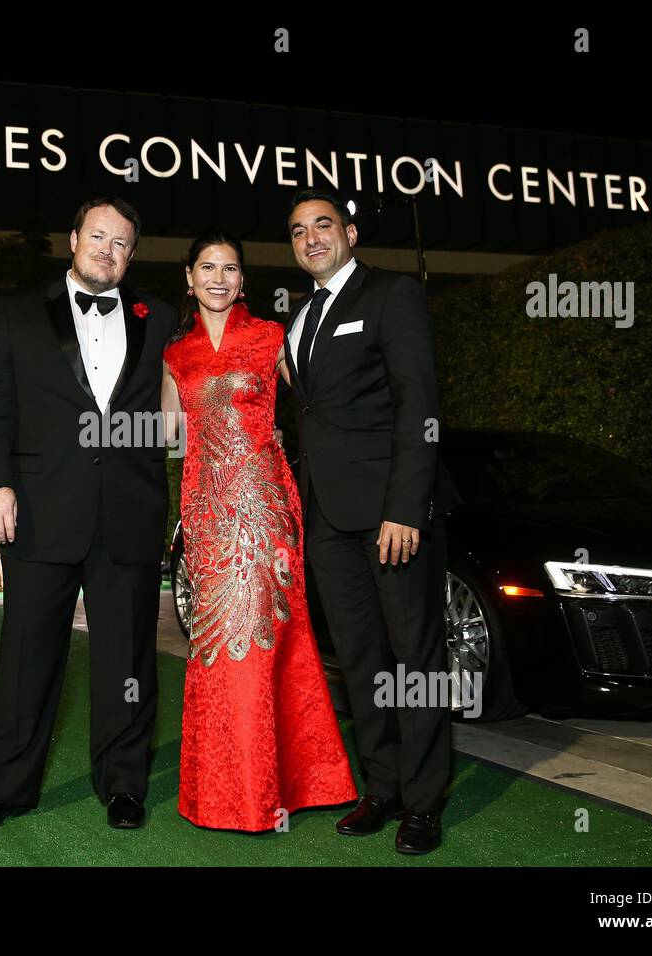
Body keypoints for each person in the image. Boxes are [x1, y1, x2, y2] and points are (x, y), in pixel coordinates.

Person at [0, 196, 175, 833]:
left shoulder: (157, 316)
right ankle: (5, 793)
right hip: (41, 515)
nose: (109, 251)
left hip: (128, 515)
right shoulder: (18, 313)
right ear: (73, 238)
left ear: (133, 254)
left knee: (127, 663)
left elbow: (205, 374)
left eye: (123, 243)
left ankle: (123, 786)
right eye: (99, 237)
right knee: (28, 658)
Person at [162, 232, 357, 832]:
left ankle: (287, 788)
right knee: (215, 647)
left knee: (273, 643)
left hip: (266, 512)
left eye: (230, 268)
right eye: (207, 267)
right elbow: (168, 438)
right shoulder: (175, 356)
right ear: (189, 278)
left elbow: (326, 404)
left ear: (243, 281)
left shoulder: (272, 337)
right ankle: (224, 792)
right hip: (206, 516)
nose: (219, 278)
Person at [284, 189, 457, 854]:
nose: (312, 238)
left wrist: (405, 508)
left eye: (323, 225)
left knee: (416, 659)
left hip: (392, 516)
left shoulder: (391, 295)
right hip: (328, 520)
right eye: (299, 231)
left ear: (350, 232)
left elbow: (420, 402)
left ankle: (423, 801)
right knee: (359, 661)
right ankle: (380, 789)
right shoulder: (302, 320)